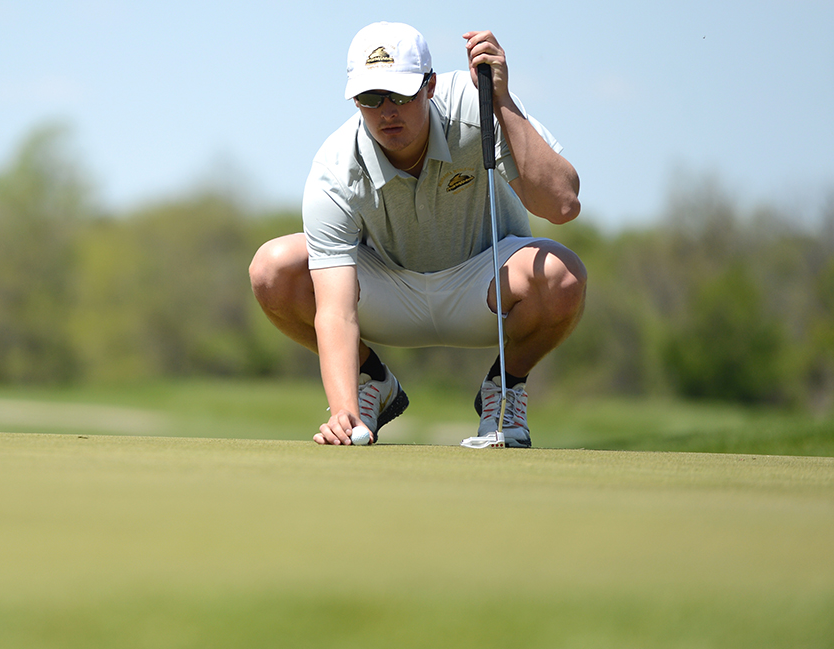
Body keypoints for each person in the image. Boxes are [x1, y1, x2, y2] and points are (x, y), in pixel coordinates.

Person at [249, 21, 586, 447]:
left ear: (429, 86)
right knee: (271, 268)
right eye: (371, 97)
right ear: (354, 98)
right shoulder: (335, 166)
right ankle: (372, 381)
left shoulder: (478, 103)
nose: (387, 110)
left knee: (563, 275)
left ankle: (504, 388)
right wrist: (343, 412)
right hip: (386, 291)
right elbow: (335, 311)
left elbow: (562, 205)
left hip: (486, 288)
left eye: (401, 93)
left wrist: (500, 101)